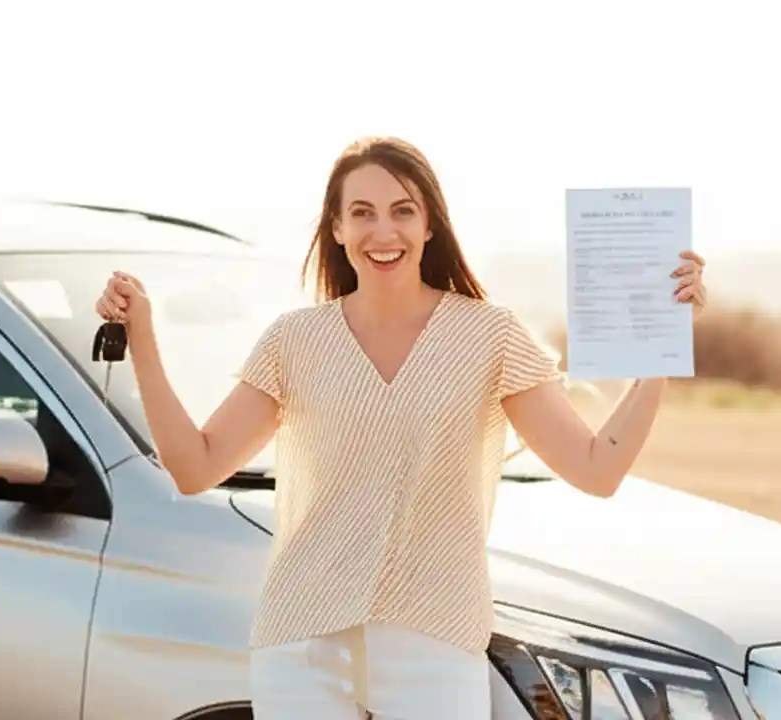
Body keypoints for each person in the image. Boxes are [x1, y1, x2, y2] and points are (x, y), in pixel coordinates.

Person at [95, 136, 708, 719]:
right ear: (337, 228)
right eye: (362, 213)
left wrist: (661, 346)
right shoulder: (294, 340)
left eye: (402, 211)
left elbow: (597, 469)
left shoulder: (490, 335)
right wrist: (141, 336)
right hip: (302, 641)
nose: (383, 232)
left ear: (429, 224)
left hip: (435, 642)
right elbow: (195, 466)